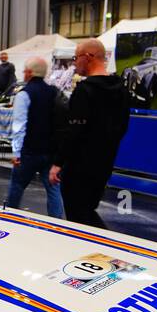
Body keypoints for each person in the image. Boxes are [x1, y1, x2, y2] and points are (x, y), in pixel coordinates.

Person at [49, 38, 129, 228]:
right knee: (87, 210)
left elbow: (74, 131)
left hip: (79, 167)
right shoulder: (121, 90)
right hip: (104, 163)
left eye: (76, 58)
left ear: (88, 57)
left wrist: (58, 163)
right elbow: (122, 126)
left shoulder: (85, 91)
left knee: (79, 215)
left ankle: (102, 249)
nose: (74, 63)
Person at [5, 56, 64, 218]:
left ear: (29, 73)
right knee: (53, 190)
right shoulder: (55, 92)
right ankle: (58, 223)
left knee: (17, 187)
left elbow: (19, 125)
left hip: (29, 151)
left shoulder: (24, 94)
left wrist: (16, 152)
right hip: (50, 151)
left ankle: (9, 218)